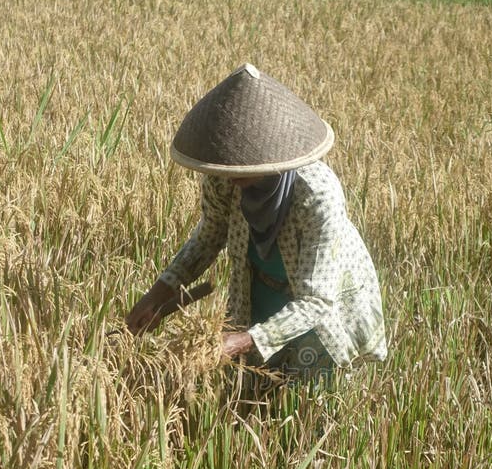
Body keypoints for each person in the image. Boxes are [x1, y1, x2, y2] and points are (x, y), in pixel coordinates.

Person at [126, 63, 387, 382]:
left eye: (242, 172)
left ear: (271, 163)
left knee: (307, 404)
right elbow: (208, 238)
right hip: (259, 290)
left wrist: (240, 341)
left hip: (316, 312)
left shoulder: (317, 195)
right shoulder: (224, 178)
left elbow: (316, 300)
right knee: (253, 387)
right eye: (227, 169)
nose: (230, 181)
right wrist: (156, 295)